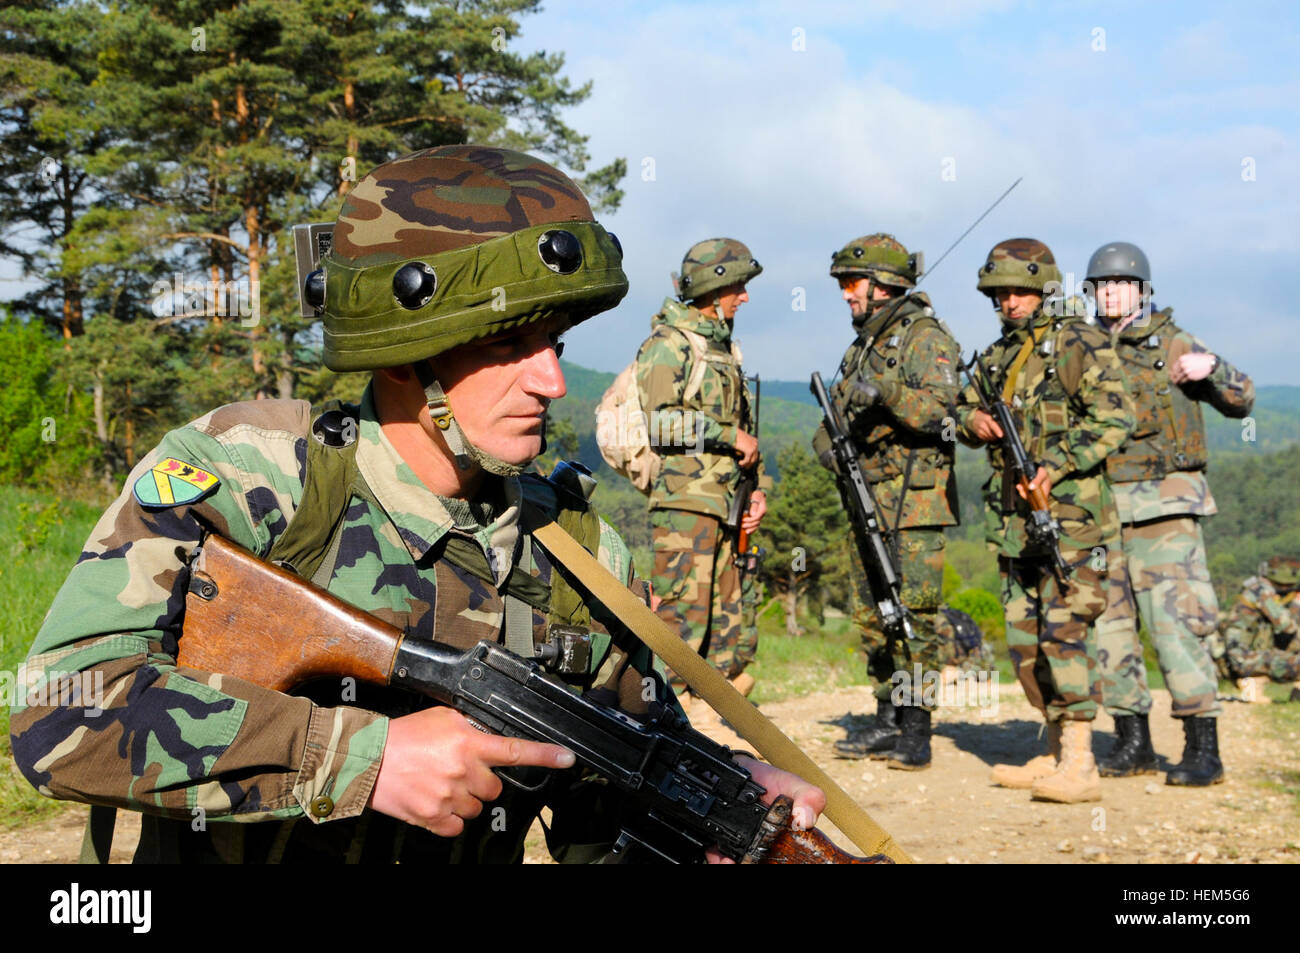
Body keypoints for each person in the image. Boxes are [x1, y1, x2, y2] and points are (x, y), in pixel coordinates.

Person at [9, 146, 821, 864]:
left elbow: (612, 789)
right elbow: (58, 710)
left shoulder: (575, 552)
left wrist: (732, 801)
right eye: (508, 344)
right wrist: (360, 757)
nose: (550, 381)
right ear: (405, 354)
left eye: (556, 343)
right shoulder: (253, 478)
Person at [954, 238, 1135, 803]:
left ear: (1044, 290)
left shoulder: (1078, 340)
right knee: (1023, 641)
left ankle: (1081, 764)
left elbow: (1116, 418)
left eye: (1020, 291)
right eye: (1000, 292)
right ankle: (1055, 749)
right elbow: (960, 406)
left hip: (1071, 520)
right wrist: (972, 421)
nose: (1009, 302)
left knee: (1064, 633)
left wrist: (1056, 463)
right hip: (1013, 522)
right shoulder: (998, 355)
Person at [1084, 241, 1255, 786]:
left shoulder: (1175, 340)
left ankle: (1203, 750)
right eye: (1102, 285)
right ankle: (1132, 743)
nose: (1112, 293)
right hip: (1101, 512)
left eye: (1122, 284)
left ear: (1142, 290)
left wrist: (1213, 368)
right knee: (1109, 632)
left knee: (1178, 627)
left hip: (1166, 511)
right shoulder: (1081, 347)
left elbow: (1243, 398)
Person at [810, 233, 961, 770]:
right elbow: (842, 413)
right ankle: (886, 716)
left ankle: (917, 728)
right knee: (873, 615)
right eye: (844, 285)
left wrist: (889, 395)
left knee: (913, 614)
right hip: (865, 496)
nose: (847, 295)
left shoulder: (925, 336)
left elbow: (947, 414)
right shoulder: (864, 346)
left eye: (854, 283)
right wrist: (827, 443)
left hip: (913, 503)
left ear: (885, 284)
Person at [634, 239, 767, 725]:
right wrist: (726, 434)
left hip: (729, 502)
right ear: (713, 288)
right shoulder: (669, 345)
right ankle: (668, 715)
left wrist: (759, 491)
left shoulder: (723, 348)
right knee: (682, 616)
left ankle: (715, 708)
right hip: (685, 503)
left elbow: (749, 430)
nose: (745, 298)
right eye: (739, 287)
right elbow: (661, 424)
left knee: (730, 615)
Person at [1205, 557, 1300, 694]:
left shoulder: (1258, 588)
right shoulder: (1262, 592)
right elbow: (1287, 627)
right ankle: (1249, 682)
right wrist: (1297, 603)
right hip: (1243, 659)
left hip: (1242, 656)